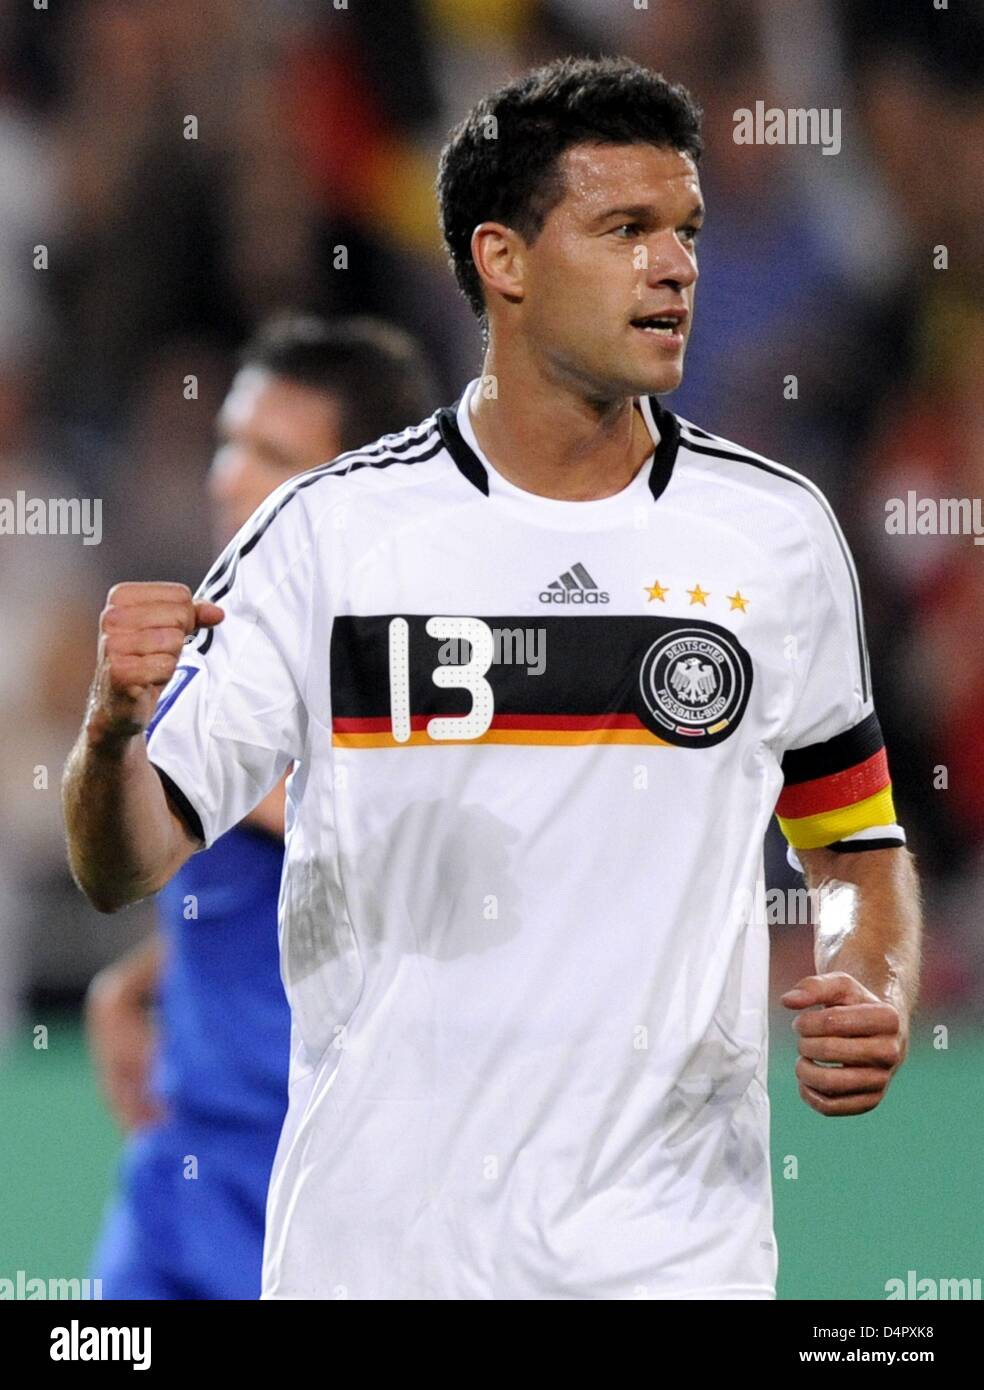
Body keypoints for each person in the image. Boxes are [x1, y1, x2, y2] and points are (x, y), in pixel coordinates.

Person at [64, 57, 922, 1301]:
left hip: (674, 1260)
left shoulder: (775, 537)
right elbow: (119, 857)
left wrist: (869, 974)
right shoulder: (328, 537)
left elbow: (855, 841)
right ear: (503, 261)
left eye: (684, 230)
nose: (674, 265)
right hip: (377, 1261)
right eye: (623, 229)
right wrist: (110, 727)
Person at [83, 314, 438, 1299]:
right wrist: (147, 970)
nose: (228, 477)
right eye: (229, 441)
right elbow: (241, 866)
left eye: (272, 455)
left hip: (321, 1203)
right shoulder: (219, 645)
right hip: (177, 1186)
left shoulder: (419, 684)